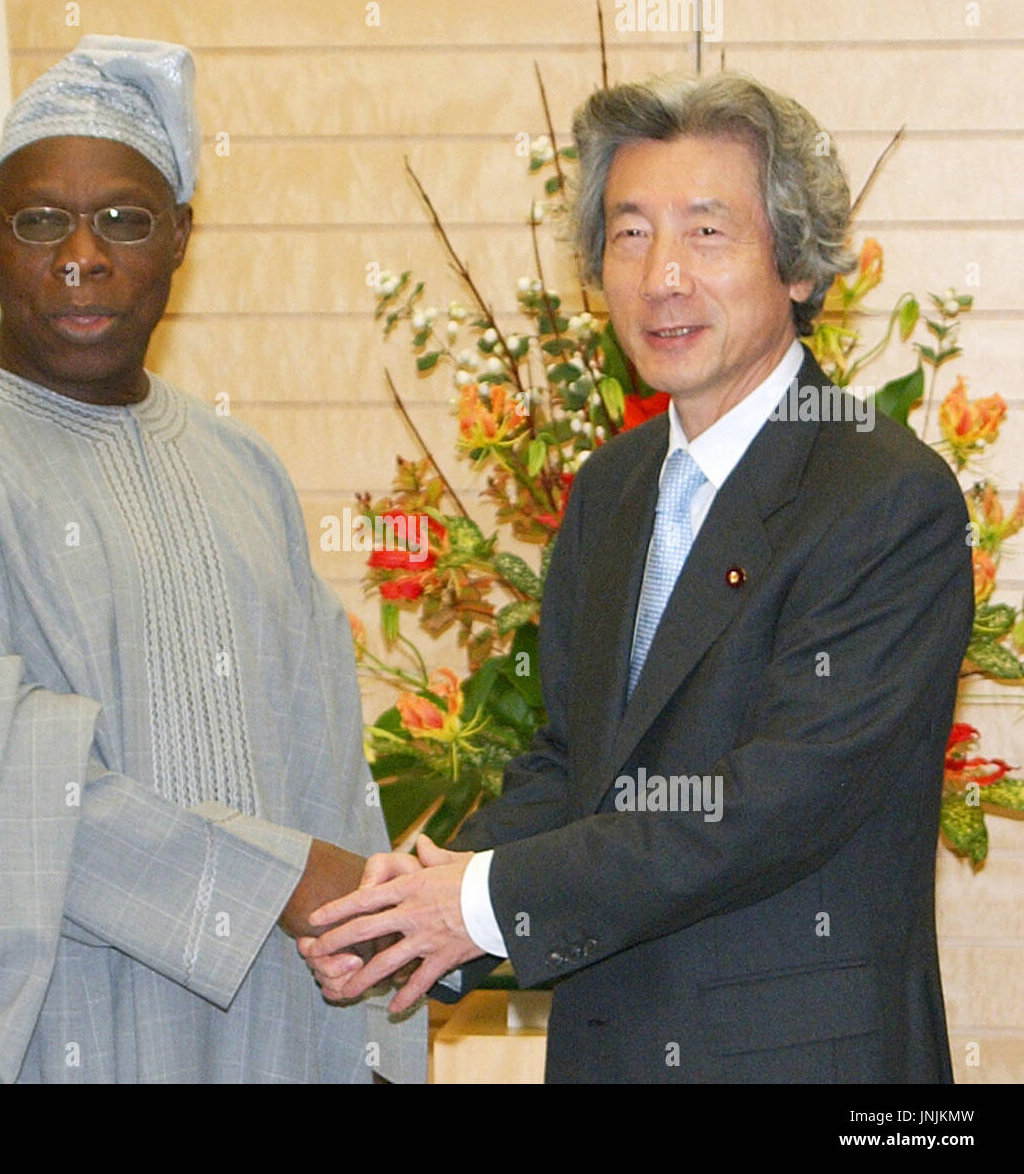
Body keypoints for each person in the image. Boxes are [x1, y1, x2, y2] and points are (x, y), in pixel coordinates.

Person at [0, 35, 424, 1084]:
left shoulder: (241, 466)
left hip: (255, 1032)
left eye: (123, 218)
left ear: (181, 237)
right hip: (32, 1034)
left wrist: (368, 1018)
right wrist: (276, 879)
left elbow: (324, 769)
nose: (82, 254)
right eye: (40, 219)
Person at [301, 72, 973, 1083]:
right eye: (628, 234)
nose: (662, 275)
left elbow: (767, 804)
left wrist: (482, 898)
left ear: (795, 264)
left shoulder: (883, 496)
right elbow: (571, 763)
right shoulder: (611, 488)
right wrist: (418, 902)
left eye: (707, 233)